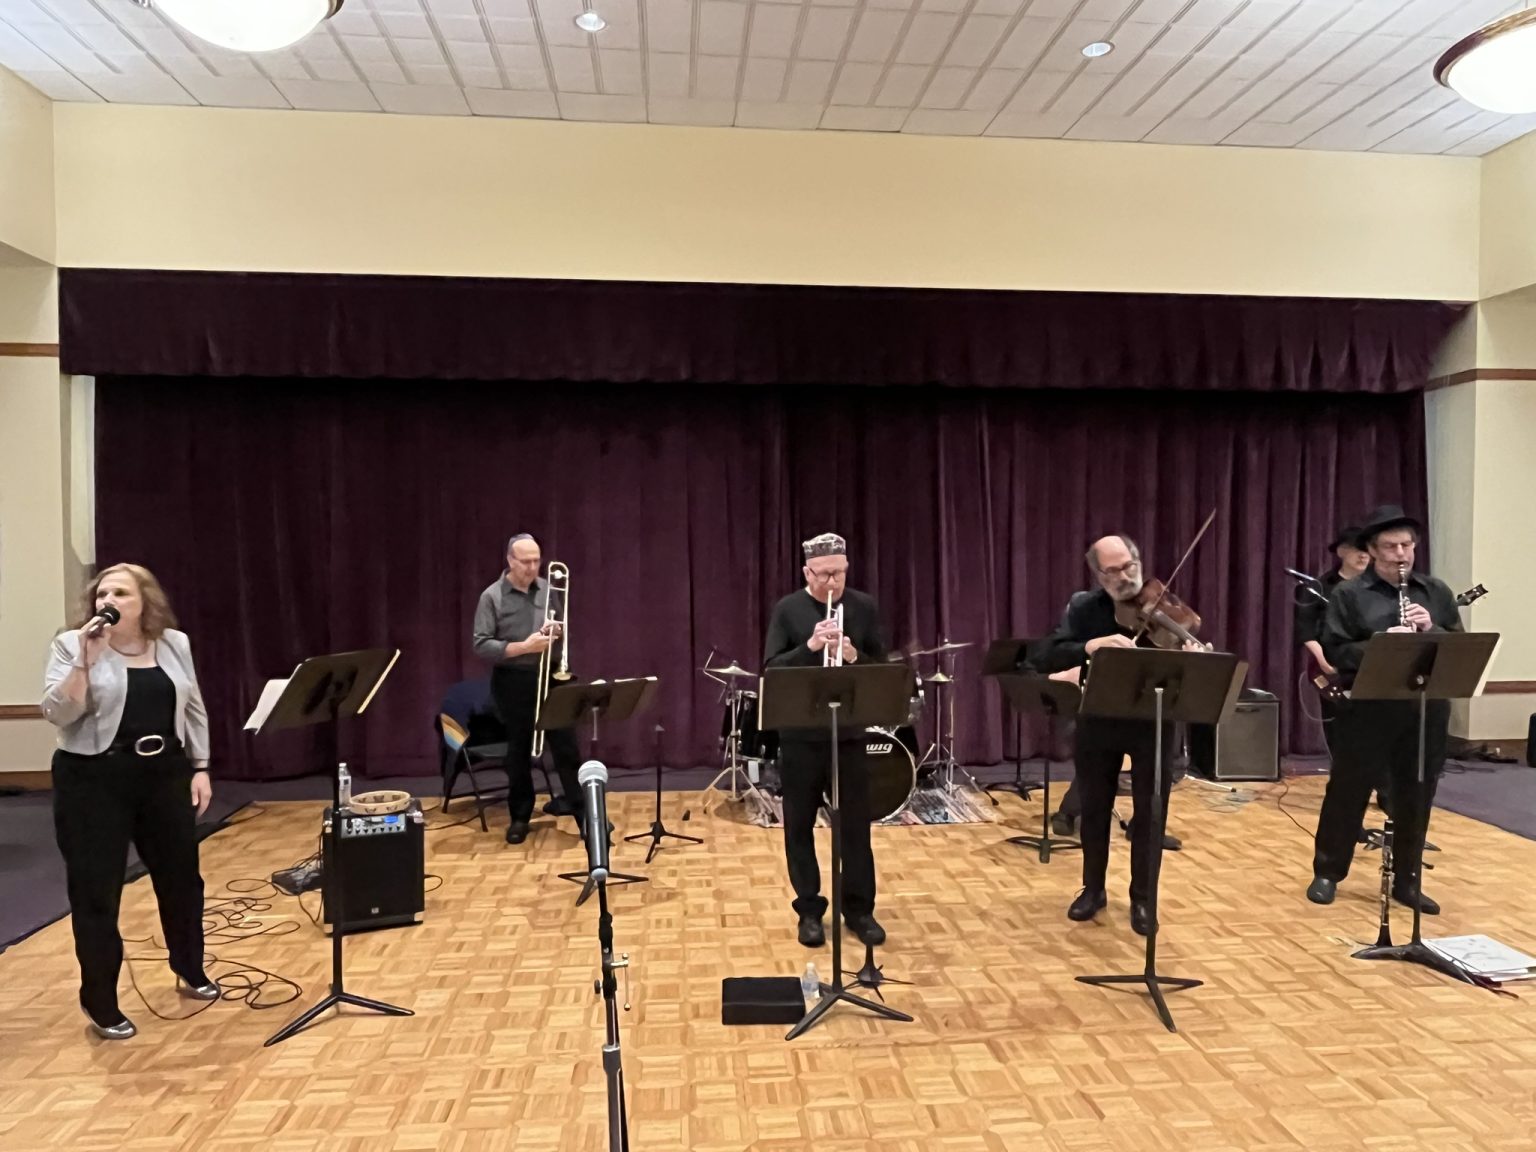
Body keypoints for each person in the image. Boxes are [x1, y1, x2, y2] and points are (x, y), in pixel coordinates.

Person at [41, 564, 219, 1041]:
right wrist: (83, 659)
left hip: (164, 772)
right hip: (94, 779)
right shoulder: (71, 644)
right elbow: (57, 713)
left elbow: (194, 705)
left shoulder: (173, 644)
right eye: (101, 592)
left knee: (182, 878)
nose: (107, 599)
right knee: (97, 891)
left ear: (144, 601)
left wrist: (200, 766)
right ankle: (101, 1002)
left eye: (119, 591)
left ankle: (190, 967)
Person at [1030, 534, 1200, 935]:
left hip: (1152, 722)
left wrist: (1192, 657)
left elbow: (1187, 657)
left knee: (1150, 815)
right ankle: (1093, 890)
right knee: (1093, 809)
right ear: (1098, 574)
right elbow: (1047, 653)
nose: (1125, 576)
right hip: (1099, 719)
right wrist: (1091, 645)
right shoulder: (1084, 607)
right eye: (1113, 571)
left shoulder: (1165, 606)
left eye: (1129, 565)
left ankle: (1143, 900)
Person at [1308, 505, 1462, 913]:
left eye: (1407, 545)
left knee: (1417, 790)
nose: (1401, 554)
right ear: (1372, 552)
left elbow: (1459, 643)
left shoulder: (1436, 592)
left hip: (1424, 709)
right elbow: (1336, 649)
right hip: (1368, 707)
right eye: (1391, 546)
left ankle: (1407, 880)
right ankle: (1328, 871)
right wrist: (1381, 642)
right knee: (1349, 788)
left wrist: (1434, 630)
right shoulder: (1349, 594)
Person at [763, 532, 888, 948]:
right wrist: (811, 645)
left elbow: (882, 669)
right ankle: (810, 910)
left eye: (840, 573)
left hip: (849, 733)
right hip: (800, 736)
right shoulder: (788, 609)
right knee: (799, 825)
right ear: (807, 572)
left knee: (855, 827)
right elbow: (771, 669)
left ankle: (859, 910)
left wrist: (854, 657)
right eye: (824, 574)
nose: (833, 583)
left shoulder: (863, 607)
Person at [472, 534, 585, 845]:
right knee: (519, 752)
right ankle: (520, 817)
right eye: (526, 562)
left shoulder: (548, 588)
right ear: (510, 561)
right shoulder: (491, 596)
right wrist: (523, 646)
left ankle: (583, 816)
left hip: (549, 676)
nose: (533, 567)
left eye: (537, 560)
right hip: (513, 681)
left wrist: (556, 630)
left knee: (567, 748)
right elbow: (481, 644)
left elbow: (558, 625)